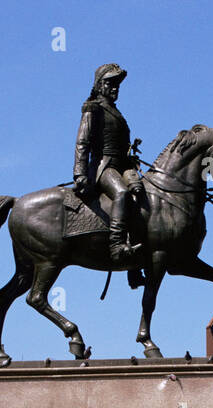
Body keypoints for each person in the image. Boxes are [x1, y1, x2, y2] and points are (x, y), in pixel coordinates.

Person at [74, 63, 145, 266]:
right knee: (122, 194)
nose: (115, 88)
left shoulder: (116, 112)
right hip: (103, 167)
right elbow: (82, 142)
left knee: (142, 195)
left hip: (122, 166)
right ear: (99, 85)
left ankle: (135, 266)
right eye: (110, 83)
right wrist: (80, 173)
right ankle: (116, 246)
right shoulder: (93, 108)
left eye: (117, 84)